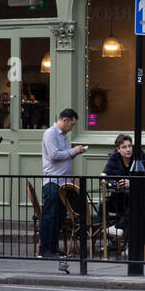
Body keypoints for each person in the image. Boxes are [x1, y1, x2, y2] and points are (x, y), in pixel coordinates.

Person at [40, 108, 85, 258]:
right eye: (72, 124)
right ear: (65, 120)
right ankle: (44, 250)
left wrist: (74, 152)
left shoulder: (64, 135)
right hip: (53, 181)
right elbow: (54, 155)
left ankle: (53, 249)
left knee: (58, 217)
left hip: (63, 182)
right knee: (49, 216)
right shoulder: (51, 133)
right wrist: (74, 151)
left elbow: (63, 157)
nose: (72, 127)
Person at [102, 134, 137, 236]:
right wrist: (114, 184)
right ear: (118, 149)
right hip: (119, 196)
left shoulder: (139, 156)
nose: (128, 149)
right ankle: (109, 238)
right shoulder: (114, 158)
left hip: (135, 196)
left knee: (135, 205)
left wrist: (132, 182)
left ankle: (118, 228)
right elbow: (104, 177)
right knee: (102, 205)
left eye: (130, 146)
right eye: (124, 147)